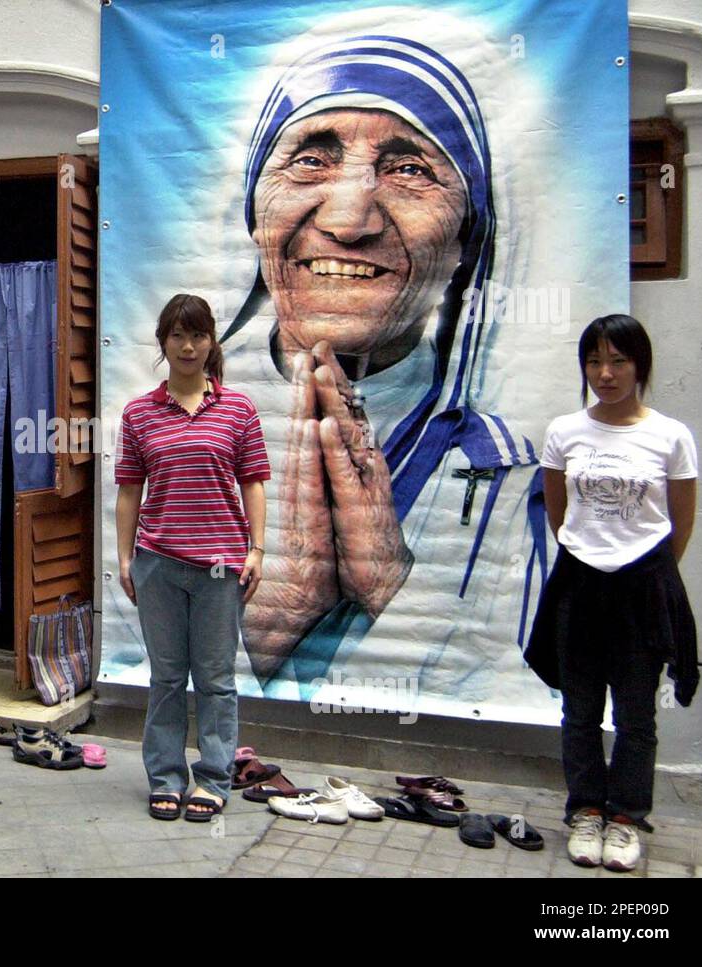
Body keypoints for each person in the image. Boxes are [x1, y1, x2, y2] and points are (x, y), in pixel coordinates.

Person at [219, 9, 549, 716]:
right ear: (254, 211)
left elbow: (533, 693)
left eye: (408, 168)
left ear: (468, 238)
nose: (348, 219)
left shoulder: (508, 477)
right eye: (311, 157)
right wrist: (270, 620)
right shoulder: (184, 425)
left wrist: (391, 585)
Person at [524, 315, 698, 873]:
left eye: (618, 361)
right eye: (595, 361)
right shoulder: (565, 432)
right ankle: (585, 812)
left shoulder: (671, 436)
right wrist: (590, 552)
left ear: (639, 365)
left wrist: (642, 571)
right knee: (578, 711)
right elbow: (558, 512)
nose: (606, 373)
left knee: (636, 715)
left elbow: (680, 523)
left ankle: (625, 819)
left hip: (642, 588)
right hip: (580, 584)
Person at [115, 294, 270, 821]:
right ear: (163, 342)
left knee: (216, 679)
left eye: (198, 335)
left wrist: (257, 548)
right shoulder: (139, 413)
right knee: (164, 677)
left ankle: (212, 778)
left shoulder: (238, 408)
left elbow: (252, 483)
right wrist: (124, 557)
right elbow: (128, 491)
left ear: (211, 342)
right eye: (177, 336)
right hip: (156, 562)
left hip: (222, 568)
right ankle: (164, 775)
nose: (187, 346)